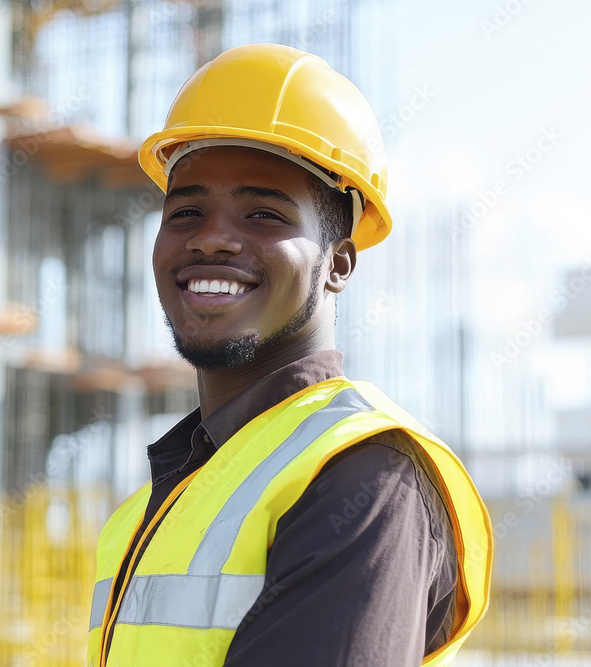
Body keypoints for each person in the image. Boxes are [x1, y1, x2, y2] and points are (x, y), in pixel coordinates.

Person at [87, 44, 492, 667]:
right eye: (187, 211)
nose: (213, 237)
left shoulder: (362, 476)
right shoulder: (162, 498)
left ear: (338, 264)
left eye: (263, 213)